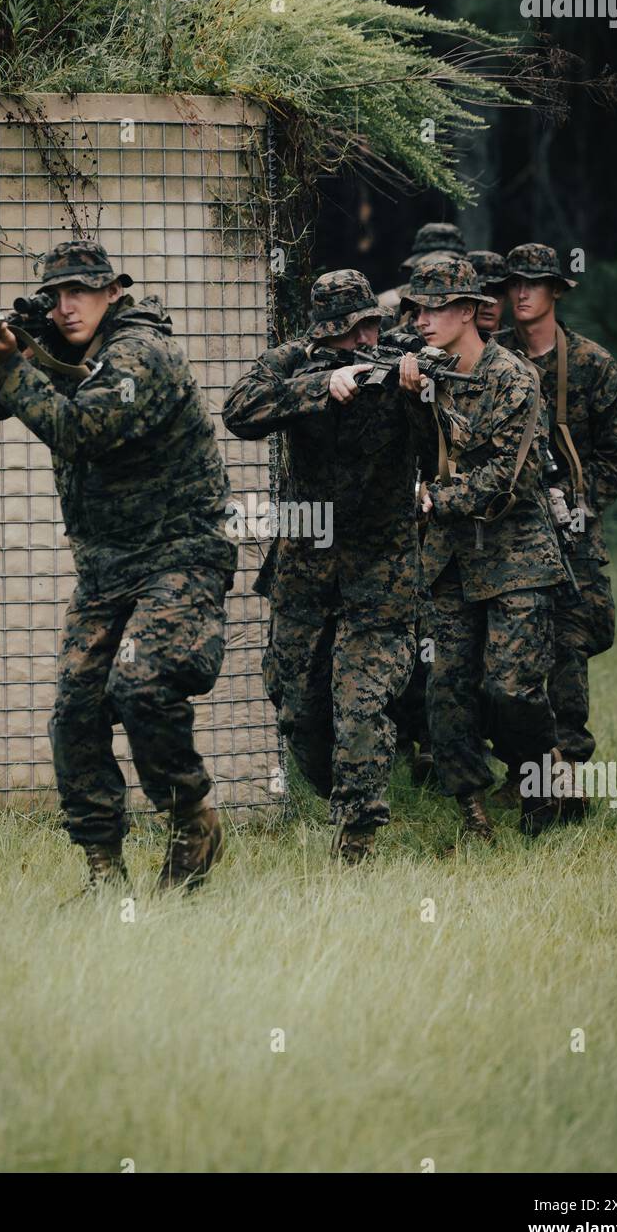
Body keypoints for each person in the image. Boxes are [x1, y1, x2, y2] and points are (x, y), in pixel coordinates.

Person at [0, 240, 237, 896]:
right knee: (75, 713)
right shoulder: (62, 346)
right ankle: (104, 873)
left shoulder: (142, 353)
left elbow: (79, 430)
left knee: (140, 684)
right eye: (56, 295)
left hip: (179, 555)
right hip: (106, 570)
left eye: (81, 291)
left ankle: (192, 820)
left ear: (114, 292)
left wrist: (17, 363)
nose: (67, 306)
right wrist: (8, 344)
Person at [222, 269, 465, 863]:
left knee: (361, 703)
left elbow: (452, 441)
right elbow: (238, 410)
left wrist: (419, 394)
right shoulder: (294, 362)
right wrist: (321, 386)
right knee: (296, 708)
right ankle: (343, 788)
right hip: (305, 571)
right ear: (322, 334)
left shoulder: (405, 361)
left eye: (368, 328)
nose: (362, 341)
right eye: (348, 333)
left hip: (381, 572)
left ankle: (357, 835)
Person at [409, 257, 568, 841]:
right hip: (451, 559)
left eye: (434, 308)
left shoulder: (513, 378)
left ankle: (541, 786)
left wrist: (436, 499)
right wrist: (406, 391)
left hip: (515, 556)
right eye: (417, 309)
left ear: (467, 311)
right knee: (447, 688)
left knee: (511, 689)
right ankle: (471, 812)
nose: (422, 320)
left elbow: (512, 477)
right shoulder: (422, 374)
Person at [497, 243, 617, 820]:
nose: (522, 292)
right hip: (507, 533)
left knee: (568, 648)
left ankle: (569, 772)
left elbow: (616, 462)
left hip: (571, 535)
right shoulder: (495, 358)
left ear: (556, 289)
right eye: (514, 283)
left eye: (534, 283)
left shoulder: (592, 364)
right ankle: (525, 770)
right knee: (507, 659)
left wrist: (575, 501)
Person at [467, 250, 510, 338]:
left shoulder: (522, 343)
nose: (489, 302)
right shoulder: (443, 341)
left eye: (497, 293)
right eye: (481, 291)